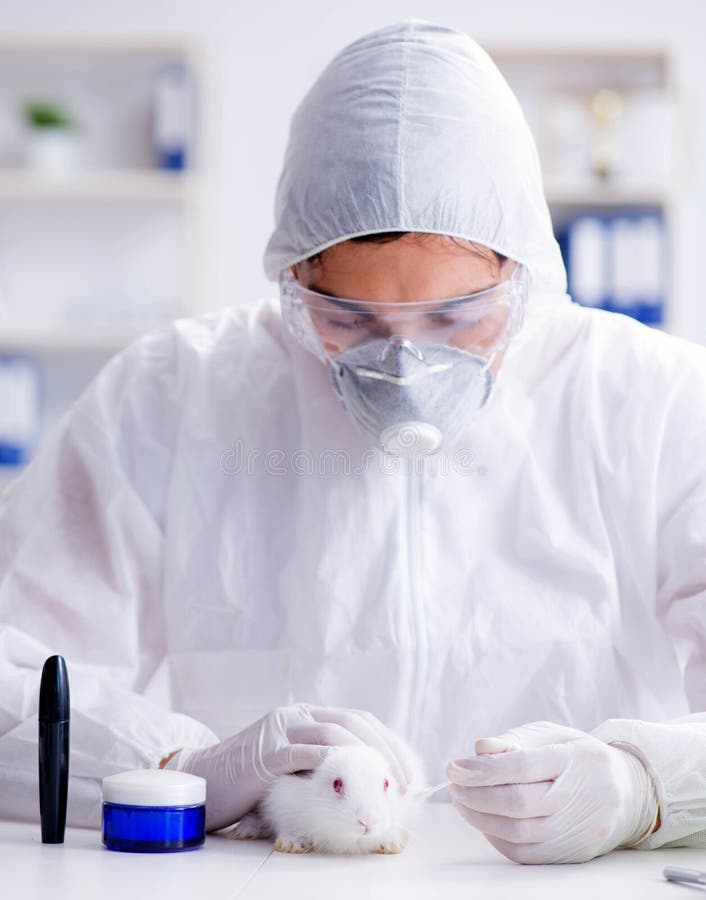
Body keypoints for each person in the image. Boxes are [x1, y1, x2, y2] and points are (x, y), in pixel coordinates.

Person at [1, 18, 706, 865]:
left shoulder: (651, 403)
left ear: (523, 272)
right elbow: (15, 670)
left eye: (455, 316)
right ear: (293, 278)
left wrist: (648, 785)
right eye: (350, 319)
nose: (405, 365)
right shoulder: (172, 397)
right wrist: (175, 763)